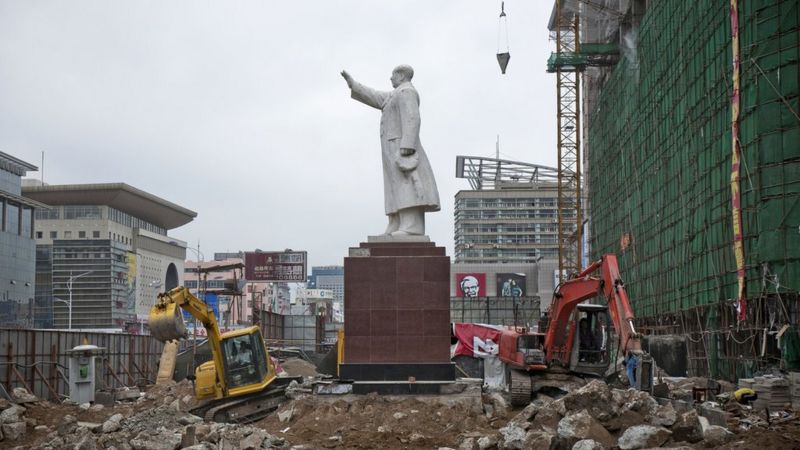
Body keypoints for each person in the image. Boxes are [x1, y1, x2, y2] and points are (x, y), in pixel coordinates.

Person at [341, 65, 441, 236]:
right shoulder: (394, 94)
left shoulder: (407, 92)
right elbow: (375, 96)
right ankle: (396, 221)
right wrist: (354, 85)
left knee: (406, 184)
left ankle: (412, 226)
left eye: (393, 75)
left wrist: (407, 145)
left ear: (401, 75)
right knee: (394, 185)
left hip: (401, 145)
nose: (390, 78)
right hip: (391, 145)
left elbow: (412, 117)